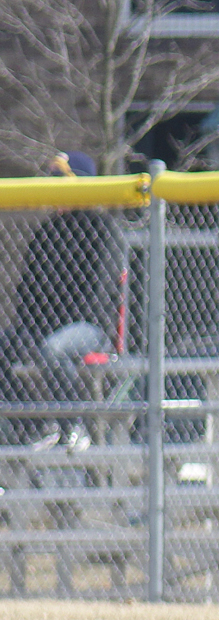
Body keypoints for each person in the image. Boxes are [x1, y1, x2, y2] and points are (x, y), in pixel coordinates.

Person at [3, 151, 120, 451]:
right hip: (46, 328)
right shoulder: (46, 232)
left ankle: (75, 425)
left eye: (61, 179)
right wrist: (26, 329)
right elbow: (27, 293)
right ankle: (30, 426)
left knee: (52, 349)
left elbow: (97, 296)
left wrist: (49, 325)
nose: (53, 186)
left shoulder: (101, 229)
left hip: (90, 329)